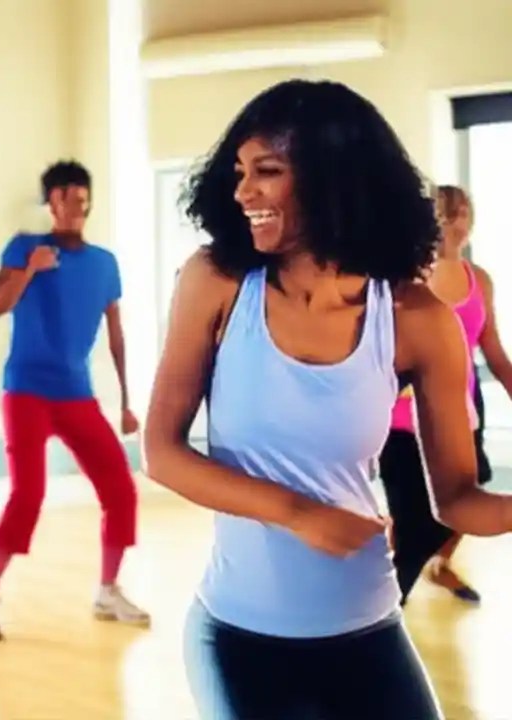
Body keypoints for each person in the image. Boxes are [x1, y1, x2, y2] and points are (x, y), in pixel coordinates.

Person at [144, 79, 512, 719]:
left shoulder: (417, 319)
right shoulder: (217, 282)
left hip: (368, 631)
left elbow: (457, 500)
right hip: (238, 637)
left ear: (329, 179)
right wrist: (297, 512)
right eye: (239, 172)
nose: (242, 192)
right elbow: (161, 451)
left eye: (267, 171)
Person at [0, 160, 147, 641]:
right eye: (65, 196)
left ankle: (108, 589)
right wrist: (31, 268)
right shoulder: (25, 246)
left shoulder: (104, 263)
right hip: (25, 388)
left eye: (82, 196)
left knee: (120, 489)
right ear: (51, 203)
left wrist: (128, 400)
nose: (75, 204)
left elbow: (115, 333)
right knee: (28, 494)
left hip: (75, 393)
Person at [380, 184, 512, 604]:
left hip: (462, 410)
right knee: (413, 517)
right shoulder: (405, 279)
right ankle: (385, 601)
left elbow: (493, 351)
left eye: (464, 212)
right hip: (401, 420)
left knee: (467, 497)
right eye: (449, 212)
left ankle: (438, 566)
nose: (458, 221)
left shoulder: (480, 282)